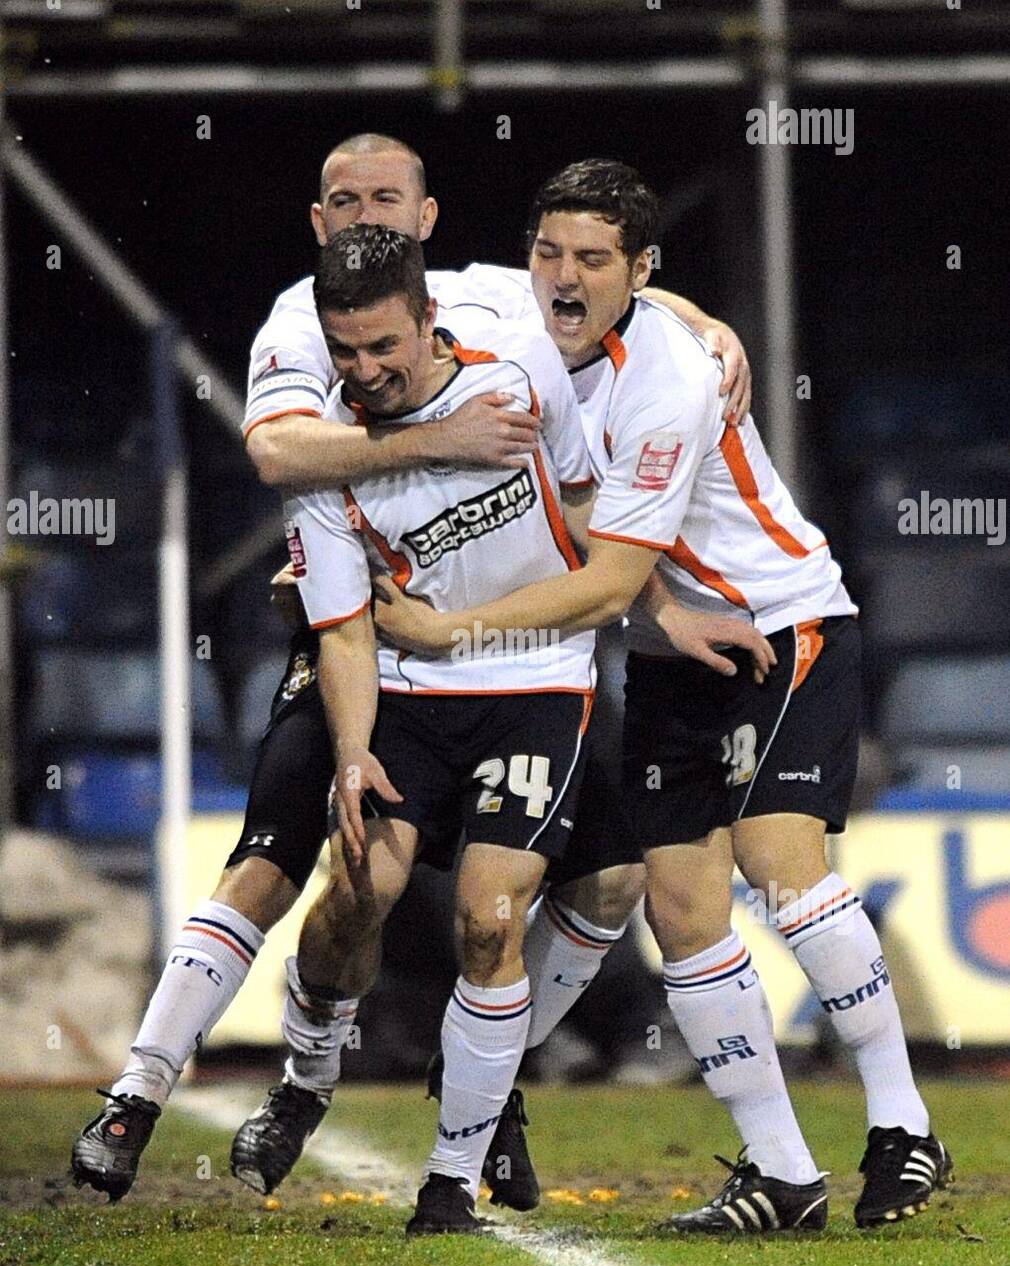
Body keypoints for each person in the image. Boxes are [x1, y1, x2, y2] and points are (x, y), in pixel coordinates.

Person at [69, 134, 757, 1206]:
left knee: (584, 885)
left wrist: (702, 323)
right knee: (312, 877)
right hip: (377, 658)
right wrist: (432, 447)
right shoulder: (303, 326)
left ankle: (480, 1095)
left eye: (383, 197)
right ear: (316, 222)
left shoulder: (504, 322)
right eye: (340, 198)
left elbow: (592, 339)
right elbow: (279, 458)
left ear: (426, 227)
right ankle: (198, 1088)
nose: (362, 215)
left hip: (531, 665)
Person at [374, 159, 952, 1234]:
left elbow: (600, 579)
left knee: (782, 867)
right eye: (549, 252)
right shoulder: (504, 303)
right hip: (672, 649)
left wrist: (439, 631)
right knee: (680, 908)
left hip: (780, 627)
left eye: (592, 260)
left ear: (635, 270)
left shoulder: (667, 382)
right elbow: (377, 300)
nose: (561, 278)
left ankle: (901, 1125)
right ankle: (782, 1175)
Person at [264, 222, 602, 1234]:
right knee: (359, 887)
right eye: (344, 353)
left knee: (491, 916)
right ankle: (307, 1066)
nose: (365, 371)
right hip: (407, 692)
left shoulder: (520, 377)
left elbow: (587, 514)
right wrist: (356, 752)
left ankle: (452, 1177)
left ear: (426, 321)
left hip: (536, 677)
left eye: (383, 347)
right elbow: (343, 630)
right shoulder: (325, 457)